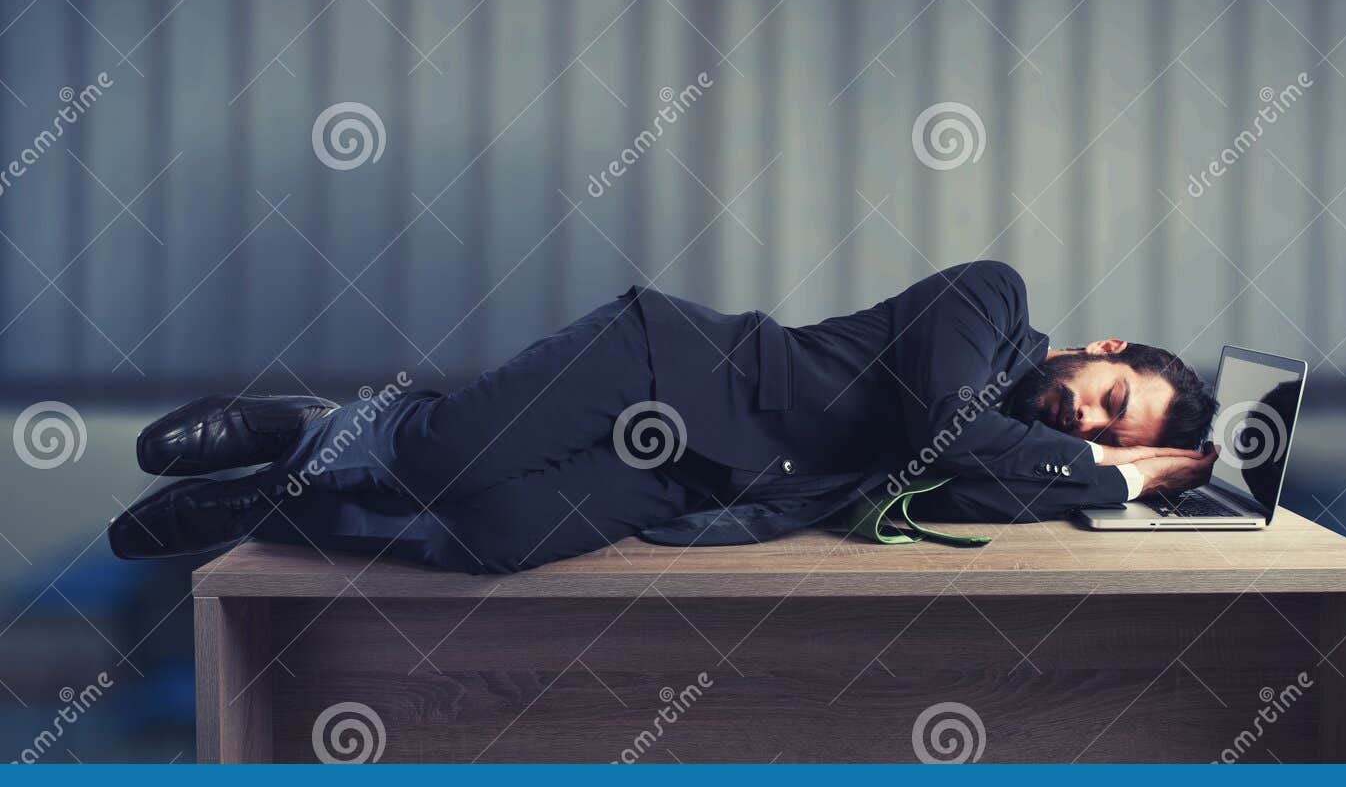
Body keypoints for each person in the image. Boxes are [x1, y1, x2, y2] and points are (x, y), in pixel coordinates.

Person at [108, 260, 1219, 574]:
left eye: (1103, 434)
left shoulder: (1036, 451)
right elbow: (946, 430)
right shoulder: (992, 300)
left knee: (493, 541)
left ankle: (263, 511)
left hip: (706, 480)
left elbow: (960, 486)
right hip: (669, 369)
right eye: (1110, 399)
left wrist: (1124, 485)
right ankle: (296, 430)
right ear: (1103, 347)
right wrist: (1120, 479)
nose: (1083, 420)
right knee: (450, 455)